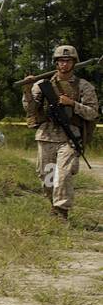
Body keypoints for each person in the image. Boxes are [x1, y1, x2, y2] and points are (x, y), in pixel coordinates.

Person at [23, 45, 98, 220]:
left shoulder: (84, 87)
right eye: (61, 61)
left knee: (63, 174)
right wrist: (27, 89)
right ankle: (53, 205)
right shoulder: (42, 85)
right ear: (56, 63)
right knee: (47, 176)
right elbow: (30, 109)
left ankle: (61, 211)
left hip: (70, 136)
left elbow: (93, 112)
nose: (64, 64)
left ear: (74, 63)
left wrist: (72, 104)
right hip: (46, 135)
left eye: (68, 61)